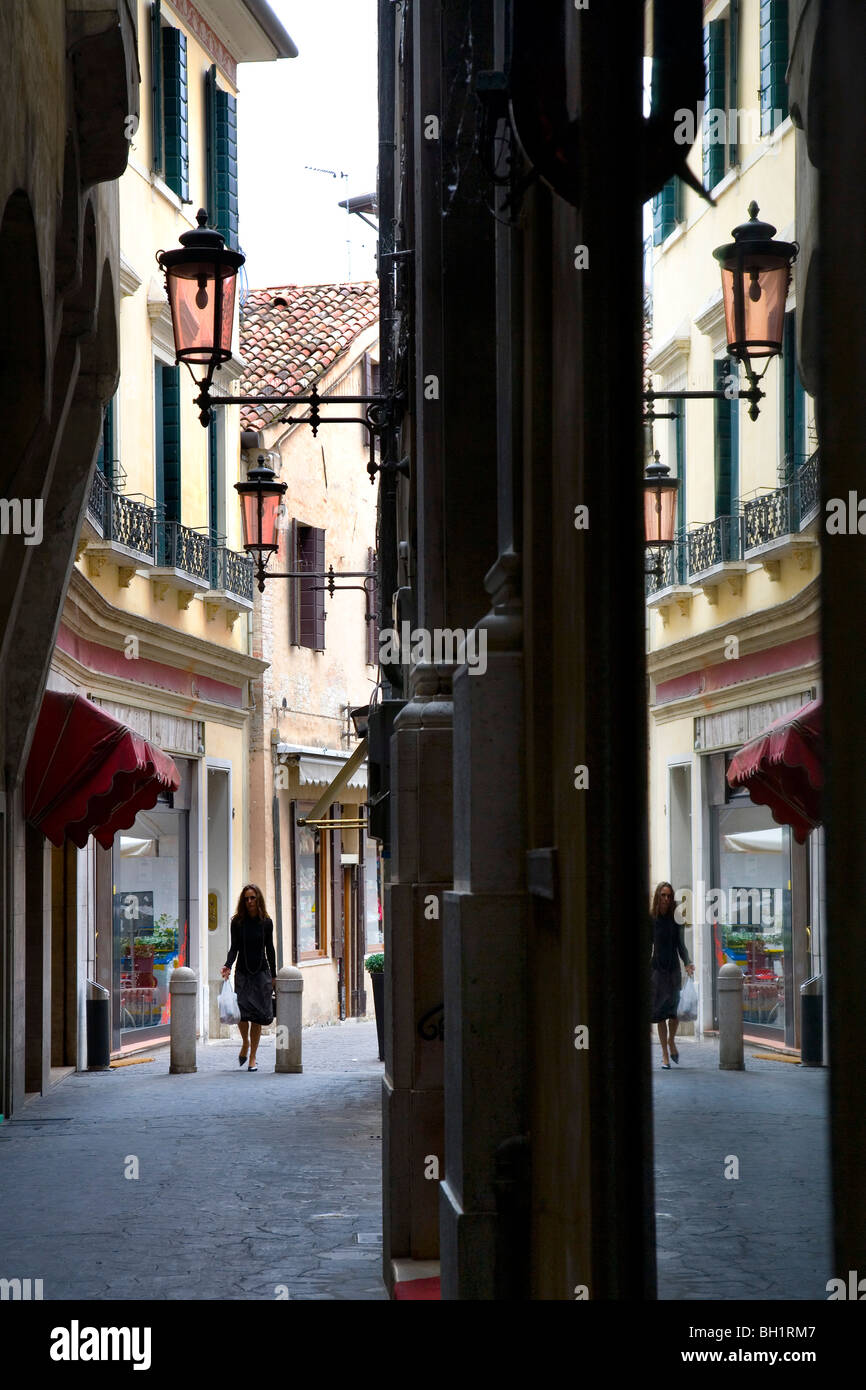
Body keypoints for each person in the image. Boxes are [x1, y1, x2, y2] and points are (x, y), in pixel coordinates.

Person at [221, 884, 277, 1071]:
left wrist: (274, 976)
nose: (249, 901)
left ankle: (252, 1056)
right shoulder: (237, 922)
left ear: (258, 899)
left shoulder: (266, 922)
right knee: (242, 1014)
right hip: (243, 973)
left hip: (261, 973)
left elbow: (270, 950)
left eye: (252, 898)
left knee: (258, 1016)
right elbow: (234, 947)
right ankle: (245, 1042)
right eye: (246, 899)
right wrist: (228, 965)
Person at [650, 881, 694, 1069]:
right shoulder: (651, 919)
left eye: (669, 896)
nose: (667, 899)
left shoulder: (677, 918)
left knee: (674, 1012)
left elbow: (680, 946)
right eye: (663, 895)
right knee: (660, 1014)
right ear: (658, 896)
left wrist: (688, 963)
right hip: (657, 970)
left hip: (673, 969)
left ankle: (671, 1041)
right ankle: (665, 1054)